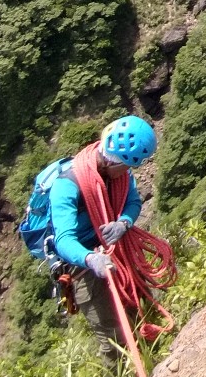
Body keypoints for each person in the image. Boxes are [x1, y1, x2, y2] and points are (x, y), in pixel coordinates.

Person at [34, 115, 157, 350]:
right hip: (81, 259)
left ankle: (156, 357)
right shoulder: (67, 184)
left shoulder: (119, 172)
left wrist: (123, 223)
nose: (129, 171)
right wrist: (91, 259)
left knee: (138, 301)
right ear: (113, 161)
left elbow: (133, 202)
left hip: (115, 244)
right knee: (113, 337)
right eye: (126, 166)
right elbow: (63, 239)